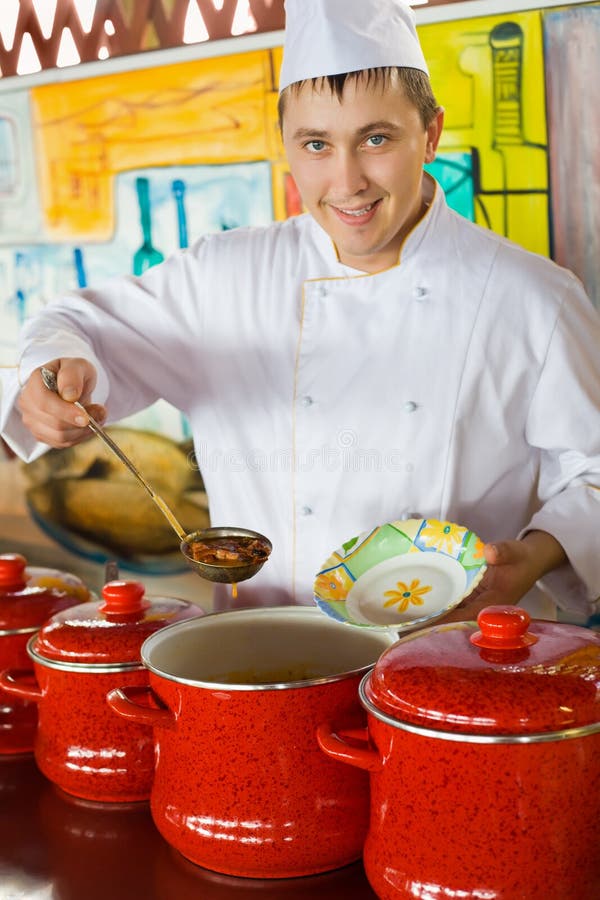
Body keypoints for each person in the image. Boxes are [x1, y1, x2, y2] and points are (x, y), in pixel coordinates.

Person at [1, 0, 599, 622]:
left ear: (430, 135)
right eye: (316, 144)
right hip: (260, 656)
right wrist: (54, 373)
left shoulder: (533, 297)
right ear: (286, 142)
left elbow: (593, 475)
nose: (347, 182)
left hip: (448, 668)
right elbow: (78, 326)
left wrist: (533, 556)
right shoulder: (222, 276)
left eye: (375, 139)